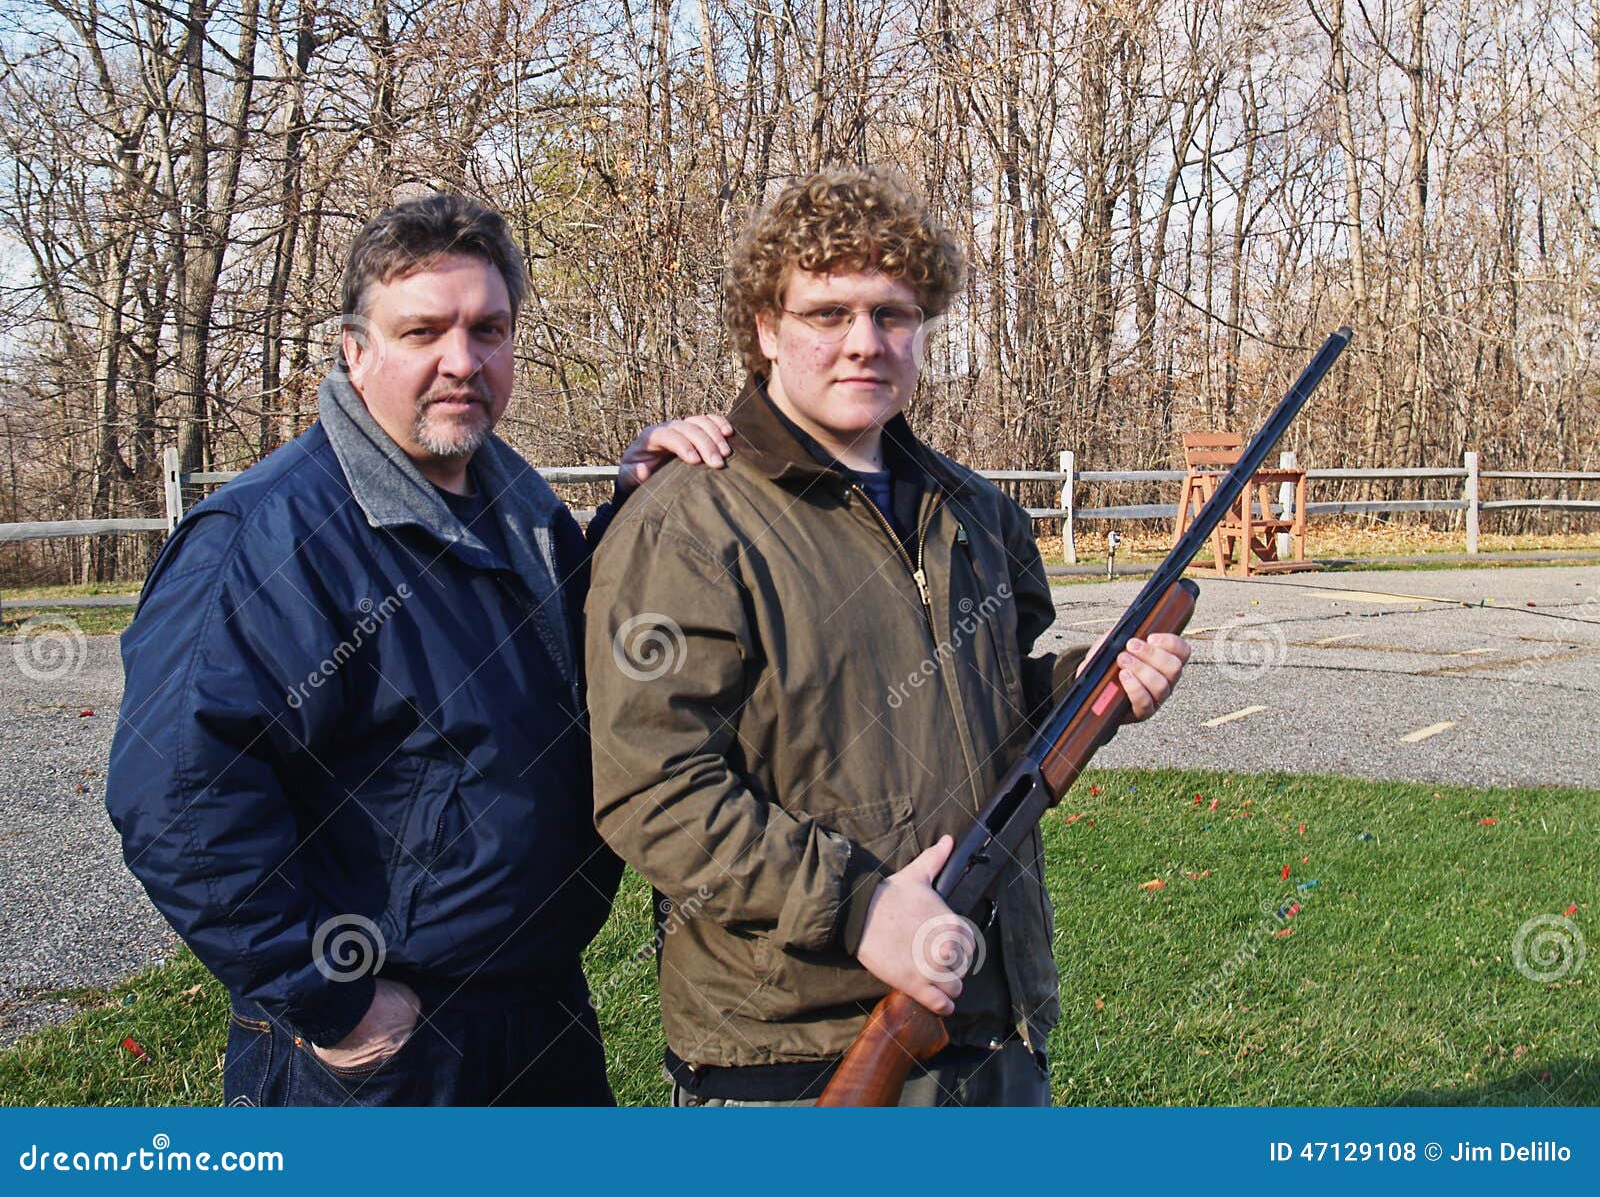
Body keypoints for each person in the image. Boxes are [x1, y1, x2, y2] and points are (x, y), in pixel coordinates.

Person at [106, 193, 732, 1106]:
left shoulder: (508, 493)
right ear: (357, 352)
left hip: (537, 1015)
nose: (461, 361)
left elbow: (549, 658)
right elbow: (174, 798)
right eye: (423, 331)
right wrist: (330, 999)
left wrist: (628, 517)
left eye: (489, 328)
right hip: (395, 1053)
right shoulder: (270, 539)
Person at [586, 166, 1191, 1106]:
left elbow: (989, 709)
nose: (863, 344)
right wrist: (864, 909)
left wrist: (1095, 683)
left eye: (893, 316)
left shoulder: (976, 513)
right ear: (765, 330)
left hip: (984, 1023)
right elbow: (651, 790)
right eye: (827, 314)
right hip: (792, 1055)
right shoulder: (688, 523)